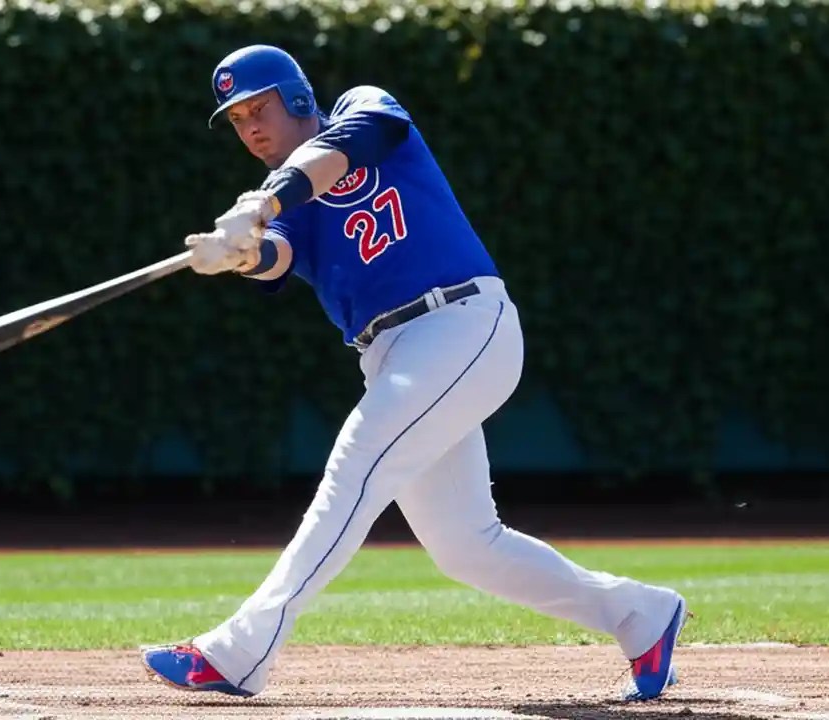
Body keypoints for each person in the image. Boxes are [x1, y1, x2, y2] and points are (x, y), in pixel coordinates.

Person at [139, 44, 688, 702]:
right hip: (395, 356)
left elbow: (354, 142)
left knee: (355, 468)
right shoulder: (290, 206)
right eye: (236, 118)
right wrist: (240, 254)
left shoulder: (358, 110)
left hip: (462, 324)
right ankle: (641, 616)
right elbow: (279, 260)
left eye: (260, 108)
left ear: (298, 99)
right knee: (466, 545)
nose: (251, 126)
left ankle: (238, 653)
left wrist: (268, 200)